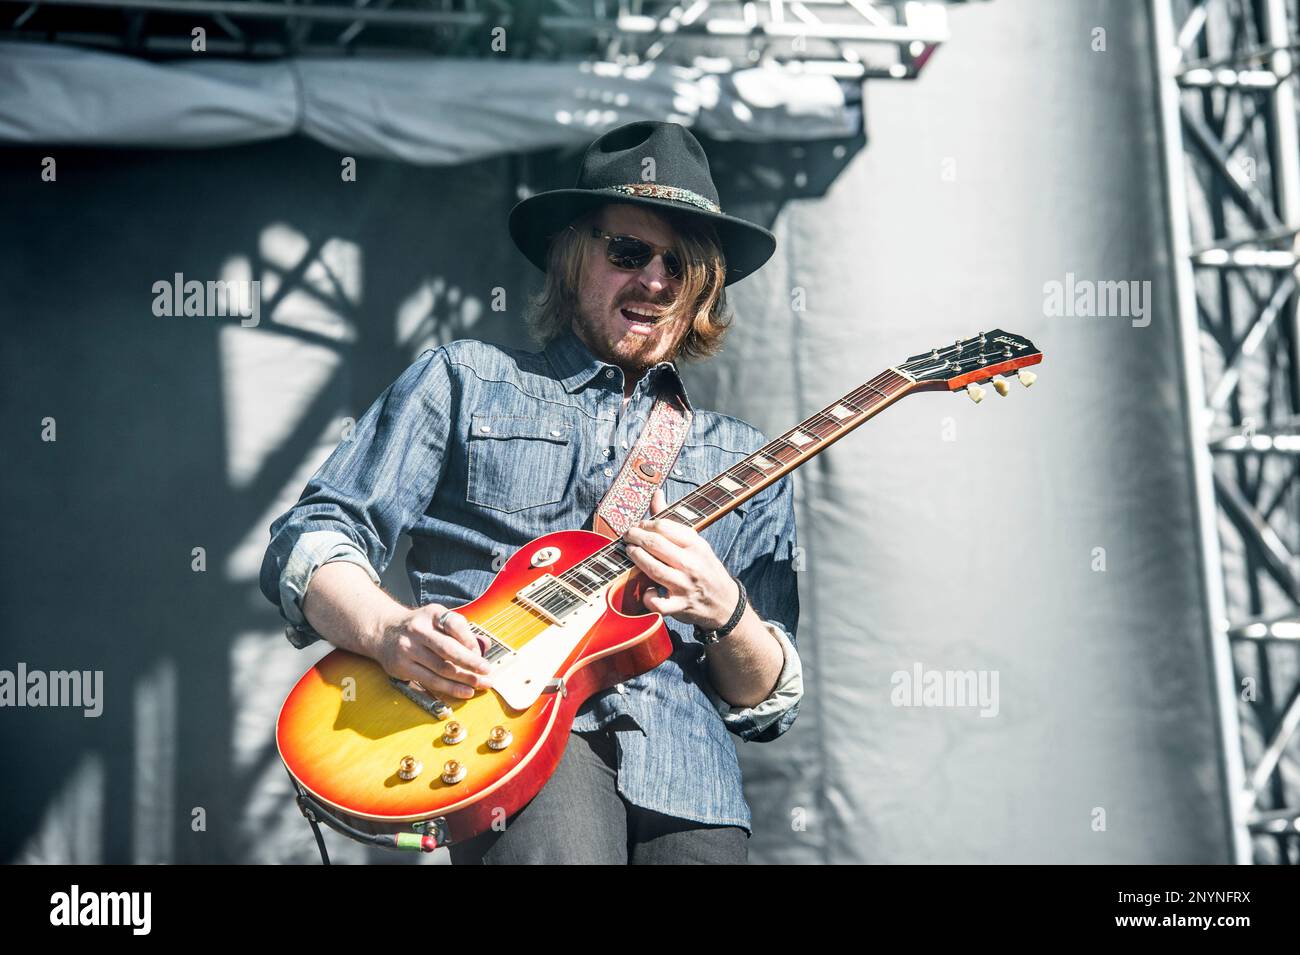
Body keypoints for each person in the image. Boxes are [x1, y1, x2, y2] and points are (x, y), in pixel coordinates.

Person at [260, 121, 803, 864]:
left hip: (693, 781)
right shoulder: (467, 378)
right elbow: (311, 539)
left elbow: (767, 700)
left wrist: (728, 609)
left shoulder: (745, 457)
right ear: (574, 256)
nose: (654, 280)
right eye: (628, 252)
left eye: (680, 264)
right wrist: (390, 633)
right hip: (509, 739)